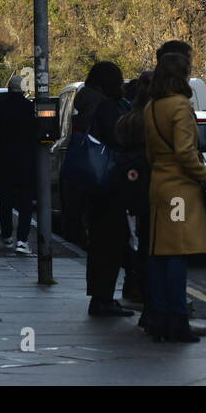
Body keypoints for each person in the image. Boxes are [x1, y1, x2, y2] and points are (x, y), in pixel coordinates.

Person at [145, 52, 206, 343]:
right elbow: (185, 152)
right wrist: (205, 176)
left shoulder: (152, 106)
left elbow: (150, 153)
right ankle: (177, 320)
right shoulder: (180, 106)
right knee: (176, 254)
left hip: (158, 183)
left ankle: (159, 316)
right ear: (182, 75)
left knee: (159, 253)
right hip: (179, 191)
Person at [73, 61, 133, 317]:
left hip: (92, 181)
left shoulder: (86, 101)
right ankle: (104, 298)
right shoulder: (105, 105)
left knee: (101, 243)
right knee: (111, 242)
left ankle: (101, 296)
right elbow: (116, 138)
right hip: (108, 182)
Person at [114, 70, 154, 327]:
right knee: (153, 245)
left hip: (131, 185)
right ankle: (148, 296)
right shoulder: (153, 117)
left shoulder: (127, 116)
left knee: (137, 239)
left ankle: (134, 285)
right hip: (150, 185)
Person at [0, 75, 39, 254]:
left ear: (9, 88)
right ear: (23, 89)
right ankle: (22, 240)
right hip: (26, 161)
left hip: (4, 160)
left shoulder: (0, 106)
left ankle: (6, 234)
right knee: (25, 202)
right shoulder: (31, 107)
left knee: (5, 200)